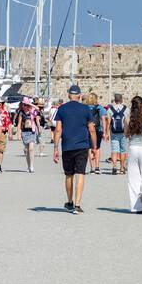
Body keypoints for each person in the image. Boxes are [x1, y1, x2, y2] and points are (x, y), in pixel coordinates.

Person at [53, 84, 97, 214]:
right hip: (82, 145)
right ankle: (77, 205)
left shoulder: (62, 109)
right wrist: (94, 147)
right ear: (79, 96)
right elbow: (92, 129)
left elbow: (58, 129)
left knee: (69, 175)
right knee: (80, 174)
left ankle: (70, 202)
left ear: (68, 95)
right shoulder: (85, 109)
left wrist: (55, 148)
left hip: (67, 146)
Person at [15, 96, 40, 173]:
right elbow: (19, 123)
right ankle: (28, 165)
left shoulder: (32, 111)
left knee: (31, 149)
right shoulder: (21, 112)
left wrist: (31, 104)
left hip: (32, 131)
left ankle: (32, 166)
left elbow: (38, 109)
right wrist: (18, 134)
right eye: (24, 105)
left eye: (26, 105)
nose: (25, 106)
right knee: (26, 150)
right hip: (24, 132)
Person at [107, 93, 128, 174]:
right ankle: (122, 168)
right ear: (121, 99)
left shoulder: (110, 109)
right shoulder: (126, 109)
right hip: (123, 133)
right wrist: (128, 132)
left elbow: (108, 122)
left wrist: (106, 133)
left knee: (114, 150)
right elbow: (127, 122)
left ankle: (114, 166)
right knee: (123, 150)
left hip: (114, 133)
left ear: (115, 100)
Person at [86, 91, 107, 173]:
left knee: (90, 148)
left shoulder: (85, 107)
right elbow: (103, 119)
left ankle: (92, 168)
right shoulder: (100, 108)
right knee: (97, 148)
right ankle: (97, 167)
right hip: (98, 129)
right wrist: (105, 131)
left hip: (87, 129)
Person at [0, 97, 12, 172]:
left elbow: (9, 123)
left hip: (2, 133)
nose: (0, 104)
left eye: (2, 103)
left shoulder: (4, 112)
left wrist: (10, 133)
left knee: (0, 150)